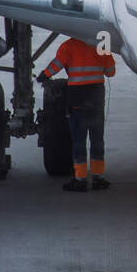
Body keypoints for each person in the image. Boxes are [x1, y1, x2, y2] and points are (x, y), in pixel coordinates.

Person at [38, 36, 116, 192]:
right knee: (97, 141)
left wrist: (44, 75)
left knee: (79, 142)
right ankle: (98, 178)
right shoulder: (101, 45)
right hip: (96, 99)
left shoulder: (69, 46)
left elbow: (57, 64)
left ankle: (80, 179)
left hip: (77, 100)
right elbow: (110, 72)